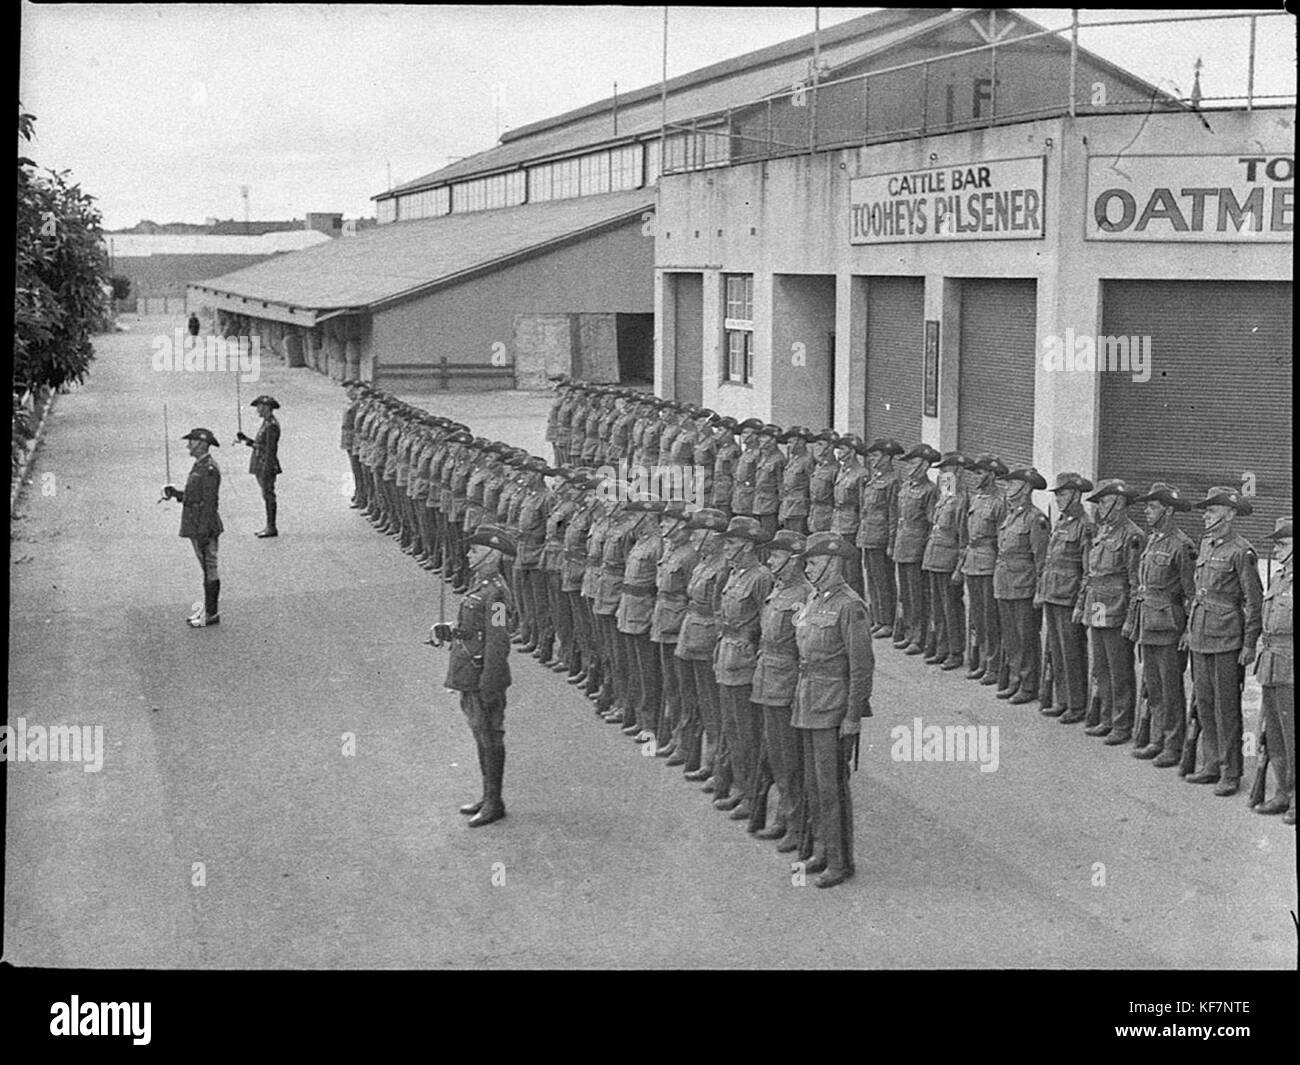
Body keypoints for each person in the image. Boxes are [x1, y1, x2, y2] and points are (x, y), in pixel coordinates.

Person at [791, 532, 873, 889]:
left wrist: (853, 716)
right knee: (813, 781)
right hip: (808, 698)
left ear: (832, 563)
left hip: (833, 703)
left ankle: (840, 861)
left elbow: (861, 667)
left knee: (831, 787)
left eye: (812, 562)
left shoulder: (850, 606)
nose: (807, 568)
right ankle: (822, 848)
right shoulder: (815, 598)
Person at [433, 526, 516, 828]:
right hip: (469, 670)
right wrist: (451, 629)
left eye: (475, 551)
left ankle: (494, 801)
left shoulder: (495, 593)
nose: (468, 555)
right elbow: (475, 627)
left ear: (491, 555)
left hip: (483, 675)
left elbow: (497, 641)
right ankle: (488, 795)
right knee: (480, 735)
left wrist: (490, 682)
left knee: (490, 737)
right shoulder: (480, 584)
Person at [1183, 487, 1263, 796]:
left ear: (1229, 515)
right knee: (1204, 703)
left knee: (1226, 708)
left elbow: (1253, 603)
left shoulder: (1242, 552)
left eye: (1212, 511)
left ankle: (1231, 772)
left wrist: (1249, 644)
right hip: (1202, 634)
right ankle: (1211, 764)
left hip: (1227, 638)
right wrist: (1191, 630)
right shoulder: (1205, 544)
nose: (1205, 515)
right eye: (1206, 511)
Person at [751, 529, 813, 852]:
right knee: (775, 755)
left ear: (794, 561)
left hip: (786, 682)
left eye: (776, 555)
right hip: (767, 677)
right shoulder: (779, 590)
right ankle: (783, 815)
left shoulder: (804, 595)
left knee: (790, 759)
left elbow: (806, 648)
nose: (771, 560)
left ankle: (796, 823)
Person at [1126, 483, 1196, 762]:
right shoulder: (1153, 540)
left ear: (1168, 510)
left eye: (1152, 506)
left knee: (1170, 688)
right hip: (1148, 622)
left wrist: (1189, 630)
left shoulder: (1182, 545)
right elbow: (1140, 585)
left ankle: (1173, 744)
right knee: (1153, 686)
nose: (1147, 511)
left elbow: (1191, 594)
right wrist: (1133, 622)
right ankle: (1157, 738)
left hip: (1168, 625)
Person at [713, 516, 774, 822]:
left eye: (733, 543)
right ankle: (739, 785)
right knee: (733, 729)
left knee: (748, 733)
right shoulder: (736, 573)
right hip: (727, 656)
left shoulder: (760, 577)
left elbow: (768, 625)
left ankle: (752, 795)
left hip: (745, 661)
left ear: (748, 546)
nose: (727, 547)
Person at [1078, 479, 1146, 739]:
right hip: (1097, 602)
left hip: (1117, 605)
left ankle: (1122, 724)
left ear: (1118, 503)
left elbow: (1134, 581)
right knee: (1101, 665)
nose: (1098, 508)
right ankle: (1106, 717)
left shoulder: (1133, 535)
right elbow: (1092, 571)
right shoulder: (1102, 531)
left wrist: (1131, 618)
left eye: (1104, 502)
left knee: (1119, 667)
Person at [1038, 472, 1094, 722]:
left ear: (1075, 494)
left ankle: (1077, 704)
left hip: (1070, 596)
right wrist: (1043, 590)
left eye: (1062, 493)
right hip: (1054, 593)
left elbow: (1088, 570)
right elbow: (1050, 560)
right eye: (1057, 494)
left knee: (1072, 652)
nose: (1058, 498)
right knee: (1056, 650)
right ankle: (1062, 699)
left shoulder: (1086, 526)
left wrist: (1082, 605)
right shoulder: (1061, 522)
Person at [994, 466, 1049, 704]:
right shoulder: (1011, 515)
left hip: (1024, 585)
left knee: (1026, 638)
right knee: (1011, 637)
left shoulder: (1036, 519)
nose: (1007, 487)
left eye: (1012, 484)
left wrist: (1040, 590)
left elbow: (1041, 558)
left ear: (1026, 488)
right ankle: (1015, 680)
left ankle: (1028, 685)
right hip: (1005, 582)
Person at [162, 427, 223, 628]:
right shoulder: (200, 465)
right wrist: (177, 494)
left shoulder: (209, 468)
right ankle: (208, 610)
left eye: (192, 442)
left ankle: (211, 614)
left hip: (203, 526)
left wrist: (204, 530)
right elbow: (194, 495)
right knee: (206, 568)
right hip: (196, 523)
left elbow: (210, 502)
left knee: (209, 568)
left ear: (202, 444)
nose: (188, 445)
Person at [1254, 516, 1293, 821]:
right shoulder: (1278, 577)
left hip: (1291, 666)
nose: (1277, 548)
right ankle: (1282, 793)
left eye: (1283, 543)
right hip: (1270, 662)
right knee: (1276, 736)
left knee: (1292, 736)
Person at [922, 452, 968, 670]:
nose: (942, 474)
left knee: (951, 608)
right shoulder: (944, 497)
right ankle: (941, 647)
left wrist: (959, 567)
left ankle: (955, 651)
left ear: (958, 471)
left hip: (949, 559)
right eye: (940, 471)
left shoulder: (961, 500)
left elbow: (963, 537)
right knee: (937, 606)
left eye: (946, 470)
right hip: (934, 556)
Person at [893, 443, 940, 654]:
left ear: (923, 465)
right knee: (906, 593)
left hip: (917, 545)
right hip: (902, 543)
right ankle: (909, 631)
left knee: (917, 593)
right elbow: (898, 516)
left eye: (912, 463)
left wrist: (927, 550)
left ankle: (919, 637)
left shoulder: (931, 490)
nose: (908, 467)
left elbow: (933, 522)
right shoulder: (906, 486)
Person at [237, 395, 281, 537]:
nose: (257, 410)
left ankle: (271, 527)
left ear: (267, 407)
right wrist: (246, 440)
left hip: (265, 464)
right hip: (261, 462)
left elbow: (270, 449)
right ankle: (269, 525)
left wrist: (266, 469)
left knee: (268, 495)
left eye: (259, 407)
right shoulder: (267, 423)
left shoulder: (271, 425)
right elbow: (260, 445)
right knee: (266, 494)